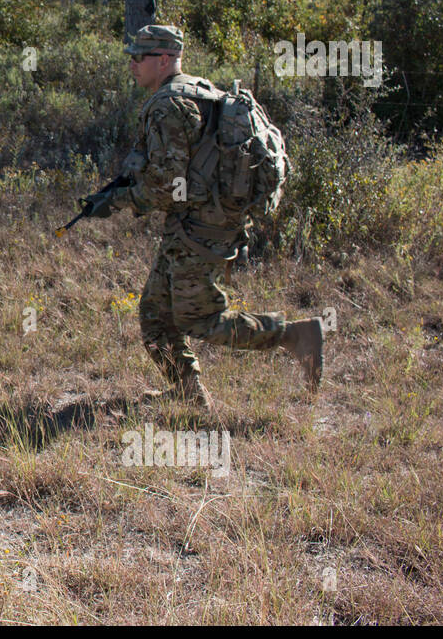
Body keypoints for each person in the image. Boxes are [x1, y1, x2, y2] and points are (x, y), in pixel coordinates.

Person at [79, 24, 323, 411]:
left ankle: (293, 335)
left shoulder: (168, 106)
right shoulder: (202, 90)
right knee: (157, 316)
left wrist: (120, 200)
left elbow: (170, 187)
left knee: (201, 320)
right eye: (131, 55)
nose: (132, 64)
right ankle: (189, 395)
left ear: (163, 59)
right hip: (199, 223)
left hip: (201, 229)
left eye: (139, 56)